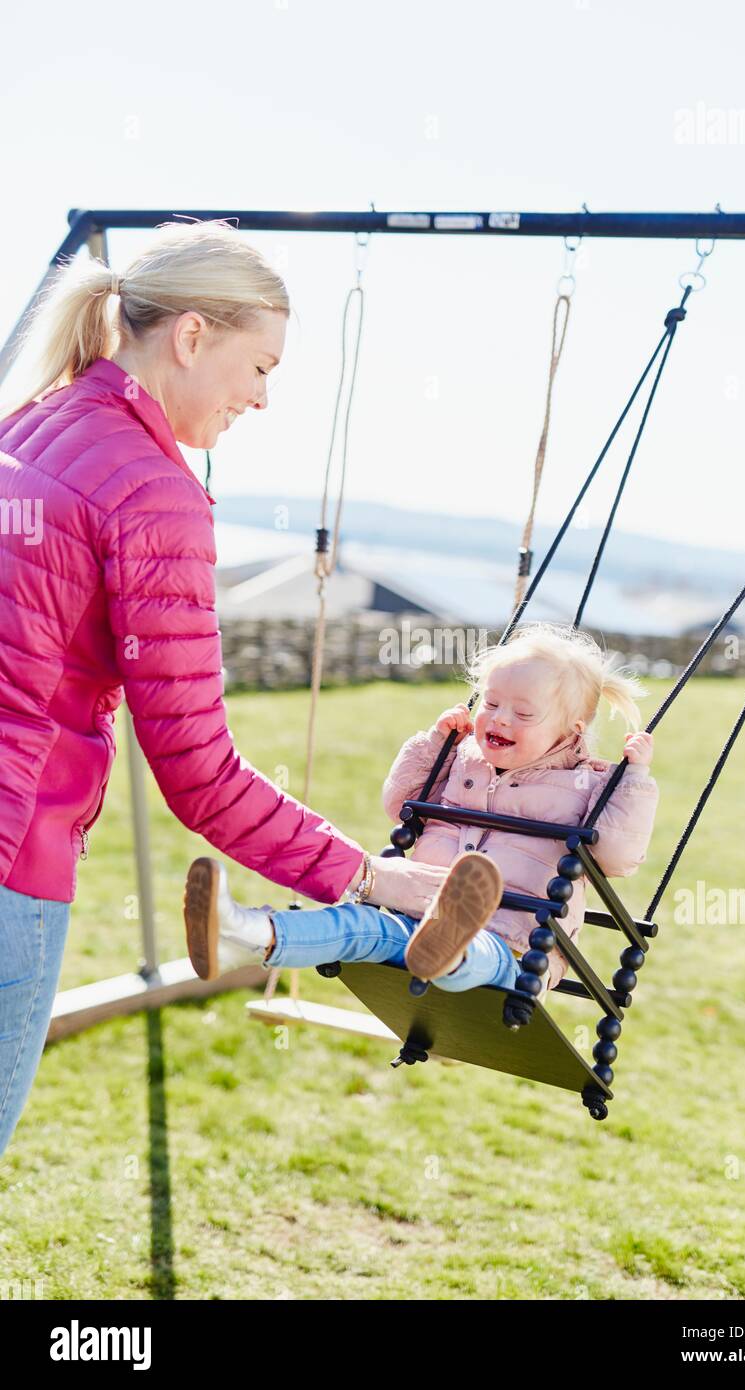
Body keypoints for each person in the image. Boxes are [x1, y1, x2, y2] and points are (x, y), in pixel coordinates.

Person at [0, 218, 447, 1156]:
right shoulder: (152, 491)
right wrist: (366, 878)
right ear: (193, 336)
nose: (264, 398)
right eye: (261, 367)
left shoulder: (35, 417)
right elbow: (199, 772)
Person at [184, 622, 660, 994]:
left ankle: (451, 947)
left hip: (515, 950)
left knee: (477, 951)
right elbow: (400, 804)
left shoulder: (591, 785)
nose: (497, 718)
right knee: (358, 923)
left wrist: (634, 779)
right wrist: (436, 743)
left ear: (571, 731)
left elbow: (616, 857)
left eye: (523, 713)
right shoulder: (462, 759)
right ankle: (242, 933)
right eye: (491, 702)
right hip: (413, 917)